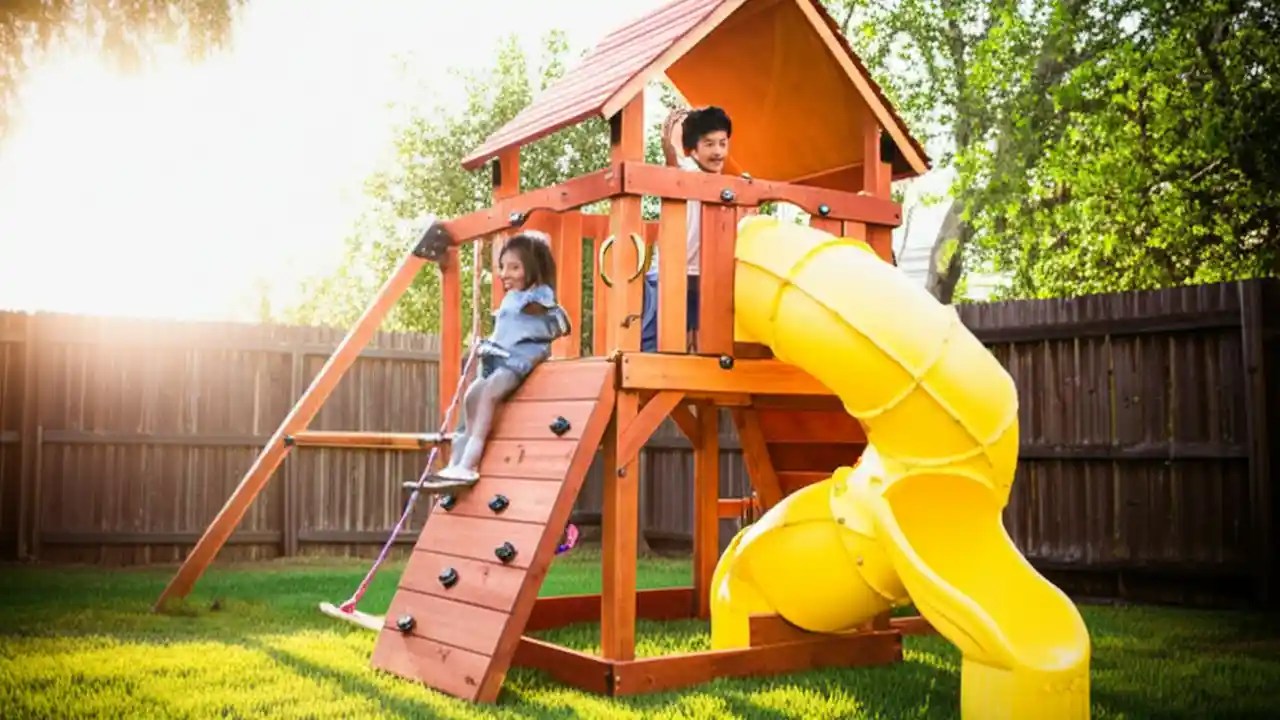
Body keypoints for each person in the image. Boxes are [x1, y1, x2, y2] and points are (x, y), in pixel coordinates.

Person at [423, 231, 571, 489]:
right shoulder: (511, 299)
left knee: (489, 395)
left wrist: (538, 248)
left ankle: (469, 464)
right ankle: (456, 462)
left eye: (514, 267)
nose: (505, 274)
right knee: (471, 396)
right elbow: (507, 329)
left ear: (533, 269)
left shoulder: (539, 295)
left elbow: (550, 314)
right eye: (503, 267)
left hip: (518, 361)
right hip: (498, 358)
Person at [640, 105, 733, 352]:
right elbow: (671, 148)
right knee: (655, 341)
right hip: (669, 274)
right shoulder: (687, 171)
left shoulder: (726, 186)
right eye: (709, 144)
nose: (717, 151)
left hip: (702, 277)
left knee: (696, 341)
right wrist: (678, 120)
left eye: (723, 143)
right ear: (693, 149)